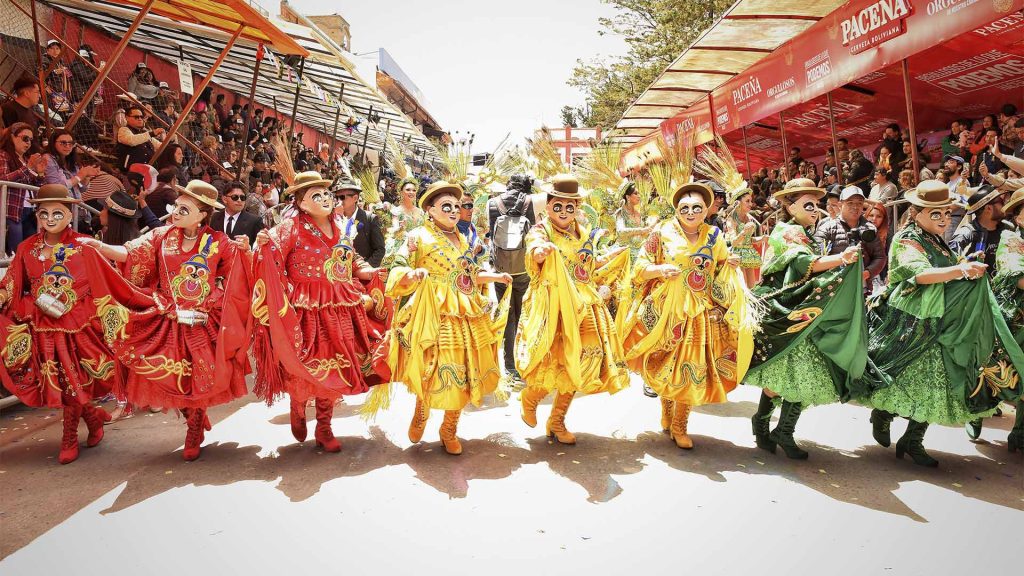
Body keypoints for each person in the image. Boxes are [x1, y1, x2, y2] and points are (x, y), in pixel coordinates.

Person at [79, 180, 253, 461]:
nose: (176, 212)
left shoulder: (218, 242)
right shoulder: (161, 235)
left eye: (185, 208)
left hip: (201, 320)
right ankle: (191, 415)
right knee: (169, 376)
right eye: (176, 206)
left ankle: (195, 426)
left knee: (199, 376)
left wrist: (246, 251)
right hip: (165, 317)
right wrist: (99, 247)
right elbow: (130, 252)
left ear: (202, 214)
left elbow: (241, 276)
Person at [861, 180, 1024, 467]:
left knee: (937, 383)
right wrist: (959, 270)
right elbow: (921, 274)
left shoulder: (937, 239)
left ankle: (912, 440)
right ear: (916, 212)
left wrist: (965, 266)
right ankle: (883, 413)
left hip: (941, 322)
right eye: (937, 214)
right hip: (909, 324)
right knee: (902, 379)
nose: (945, 219)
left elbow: (948, 269)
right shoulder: (907, 238)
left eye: (947, 213)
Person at [251, 171, 391, 453]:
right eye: (317, 195)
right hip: (305, 308)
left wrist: (370, 271)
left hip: (341, 306)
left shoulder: (340, 229)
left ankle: (324, 426)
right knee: (304, 363)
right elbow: (269, 256)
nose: (326, 198)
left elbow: (353, 263)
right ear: (302, 203)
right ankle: (298, 406)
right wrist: (261, 246)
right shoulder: (290, 228)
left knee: (338, 365)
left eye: (327, 194)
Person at [379, 181, 511, 455]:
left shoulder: (462, 240)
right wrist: (412, 275)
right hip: (431, 310)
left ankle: (449, 428)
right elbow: (398, 265)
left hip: (464, 310)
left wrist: (495, 276)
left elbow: (469, 275)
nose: (453, 211)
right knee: (430, 366)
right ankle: (422, 410)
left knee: (464, 369)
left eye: (457, 206)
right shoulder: (417, 237)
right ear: (430, 210)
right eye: (446, 206)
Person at [618, 182, 753, 449]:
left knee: (691, 368)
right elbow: (640, 266)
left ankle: (680, 424)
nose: (690, 212)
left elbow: (720, 267)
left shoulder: (715, 235)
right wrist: (660, 269)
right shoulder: (661, 232)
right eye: (684, 208)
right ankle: (667, 412)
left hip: (700, 312)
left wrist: (730, 263)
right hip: (664, 311)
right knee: (664, 363)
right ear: (677, 209)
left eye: (697, 208)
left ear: (706, 210)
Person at [745, 179, 868, 460]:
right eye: (808, 205)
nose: (815, 210)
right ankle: (762, 421)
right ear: (790, 206)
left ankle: (784, 431)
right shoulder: (786, 232)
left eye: (817, 204)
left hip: (808, 312)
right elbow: (803, 264)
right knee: (780, 377)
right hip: (787, 313)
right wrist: (841, 260)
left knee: (806, 375)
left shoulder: (810, 234)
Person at [0, 184, 121, 464]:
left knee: (72, 381)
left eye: (58, 212)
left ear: (70, 214)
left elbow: (101, 283)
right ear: (37, 216)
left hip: (79, 328)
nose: (50, 219)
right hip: (42, 328)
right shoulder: (26, 248)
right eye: (44, 213)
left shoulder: (84, 245)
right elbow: (13, 283)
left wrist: (80, 308)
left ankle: (69, 437)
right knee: (66, 382)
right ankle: (93, 418)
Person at [516, 174, 630, 445]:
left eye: (570, 207)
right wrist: (540, 253)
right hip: (553, 304)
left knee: (580, 362)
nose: (564, 212)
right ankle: (530, 397)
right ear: (548, 205)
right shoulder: (541, 231)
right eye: (558, 206)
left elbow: (586, 264)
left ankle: (557, 420)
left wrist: (610, 257)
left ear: (577, 207)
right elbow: (534, 251)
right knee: (549, 358)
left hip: (584, 304)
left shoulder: (584, 230)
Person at [488, 174, 537, 384]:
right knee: (523, 314)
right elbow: (534, 232)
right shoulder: (528, 202)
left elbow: (491, 234)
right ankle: (522, 359)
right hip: (523, 266)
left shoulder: (492, 203)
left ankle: (509, 366)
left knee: (507, 315)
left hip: (501, 269)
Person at [814, 185, 886, 287]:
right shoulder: (827, 228)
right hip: (833, 287)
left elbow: (880, 257)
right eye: (850, 203)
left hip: (862, 288)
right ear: (840, 204)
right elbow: (815, 259)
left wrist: (866, 274)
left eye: (859, 203)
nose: (855, 207)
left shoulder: (870, 228)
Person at [1, 122, 48, 251]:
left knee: (32, 250)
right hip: (11, 210)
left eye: (31, 140)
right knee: (17, 250)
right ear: (12, 137)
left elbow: (37, 186)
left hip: (29, 210)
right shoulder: (3, 155)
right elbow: (2, 179)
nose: (28, 143)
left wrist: (40, 173)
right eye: (25, 138)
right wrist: (27, 168)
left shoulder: (27, 159)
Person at [950, 189, 1010, 274]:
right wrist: (966, 263)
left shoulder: (1007, 230)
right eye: (1001, 201)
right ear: (988, 208)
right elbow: (950, 261)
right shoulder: (966, 234)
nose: (1005, 204)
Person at [334, 178, 385, 267]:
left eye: (342, 197)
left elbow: (379, 249)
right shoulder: (333, 218)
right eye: (336, 197)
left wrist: (367, 266)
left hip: (361, 273)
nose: (339, 201)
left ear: (355, 198)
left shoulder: (370, 219)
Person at [210, 181, 264, 247]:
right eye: (235, 197)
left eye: (242, 198)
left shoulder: (255, 221)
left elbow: (259, 249)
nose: (239, 200)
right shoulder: (214, 218)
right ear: (224, 199)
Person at [115, 105, 165, 172]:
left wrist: (167, 139)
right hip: (130, 172)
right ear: (127, 118)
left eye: (141, 117)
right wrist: (152, 133)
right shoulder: (123, 130)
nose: (140, 119)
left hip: (148, 171)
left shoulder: (144, 133)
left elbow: (159, 146)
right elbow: (131, 140)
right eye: (136, 117)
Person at [612, 180, 653, 263]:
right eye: (636, 193)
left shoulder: (639, 213)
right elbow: (620, 231)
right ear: (627, 197)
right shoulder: (621, 212)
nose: (639, 196)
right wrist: (641, 230)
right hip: (625, 252)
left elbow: (644, 233)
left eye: (639, 193)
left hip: (640, 249)